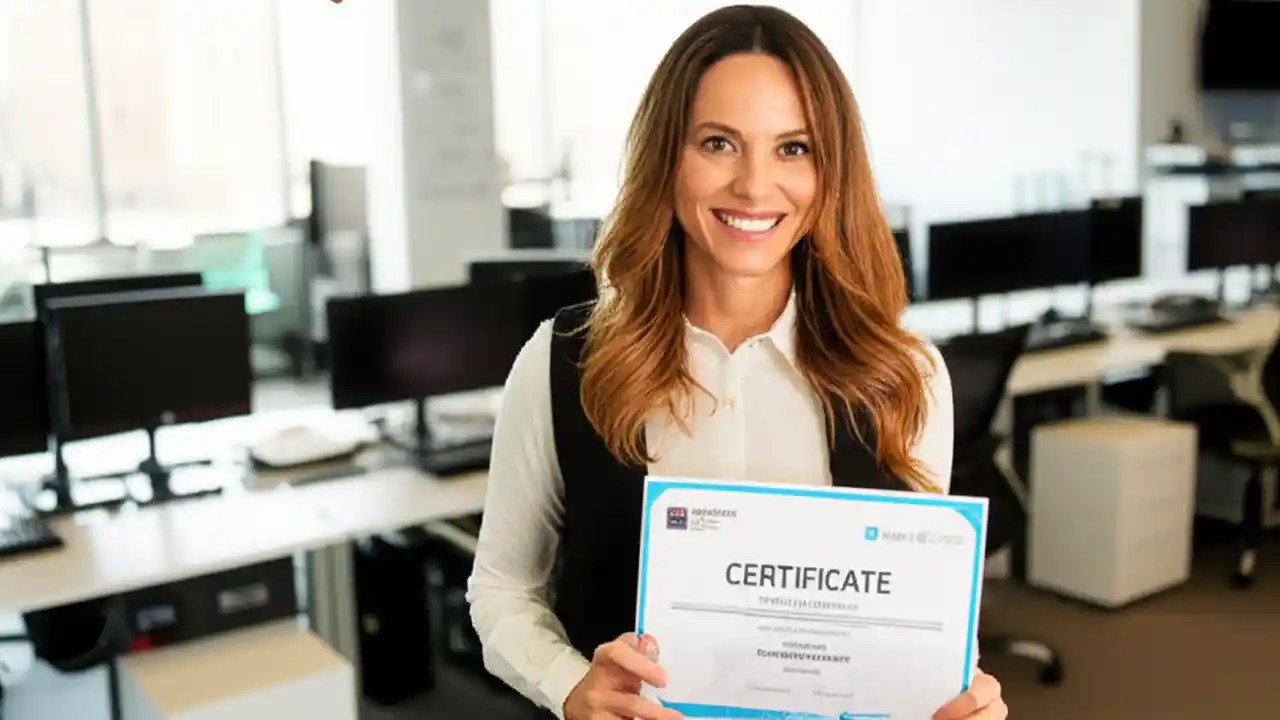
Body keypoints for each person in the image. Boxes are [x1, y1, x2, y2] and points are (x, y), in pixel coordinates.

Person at [468, 5, 1006, 720]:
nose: (755, 186)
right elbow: (502, 587)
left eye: (794, 148)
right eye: (719, 143)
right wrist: (569, 685)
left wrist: (956, 696)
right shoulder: (561, 362)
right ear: (667, 156)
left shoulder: (903, 375)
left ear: (831, 169)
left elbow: (913, 624)